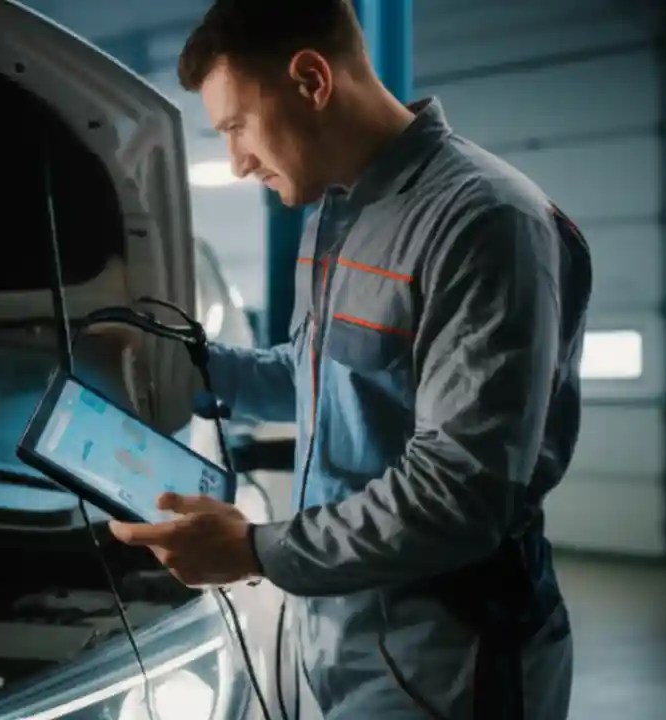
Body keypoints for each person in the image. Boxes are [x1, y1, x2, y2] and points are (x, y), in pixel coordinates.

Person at [107, 0, 592, 717]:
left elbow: (462, 494)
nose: (237, 161)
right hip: (337, 633)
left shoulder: (484, 221)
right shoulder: (335, 217)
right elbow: (309, 377)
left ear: (310, 80)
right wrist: (178, 360)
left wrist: (255, 550)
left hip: (451, 656)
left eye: (237, 126)